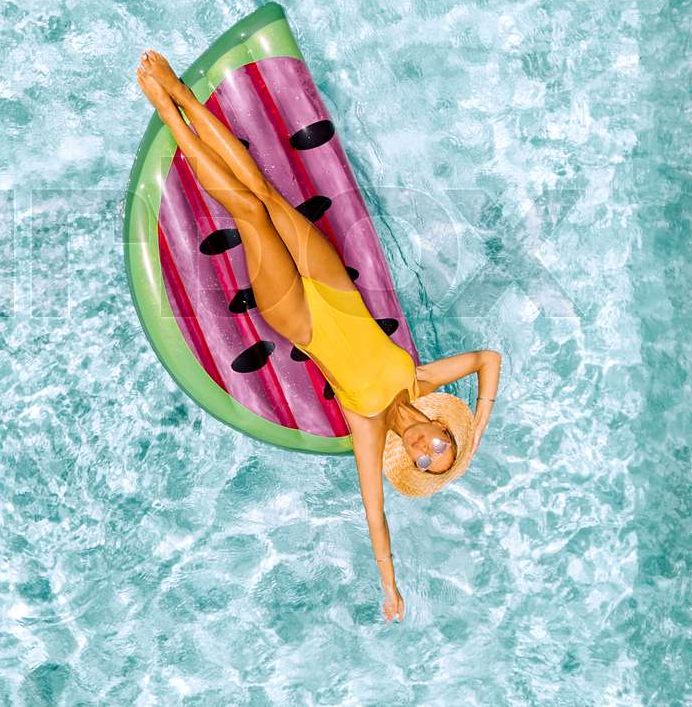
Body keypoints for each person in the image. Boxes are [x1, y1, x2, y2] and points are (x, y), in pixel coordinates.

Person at [136, 50, 503, 622]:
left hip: (299, 321)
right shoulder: (421, 376)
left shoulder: (366, 425)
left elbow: (375, 517)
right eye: (441, 445)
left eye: (427, 460)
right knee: (264, 191)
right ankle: (183, 96)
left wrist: (391, 587)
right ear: (439, 424)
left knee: (249, 215)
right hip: (334, 287)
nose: (427, 449)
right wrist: (478, 423)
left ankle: (168, 109)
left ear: (411, 458)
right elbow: (488, 358)